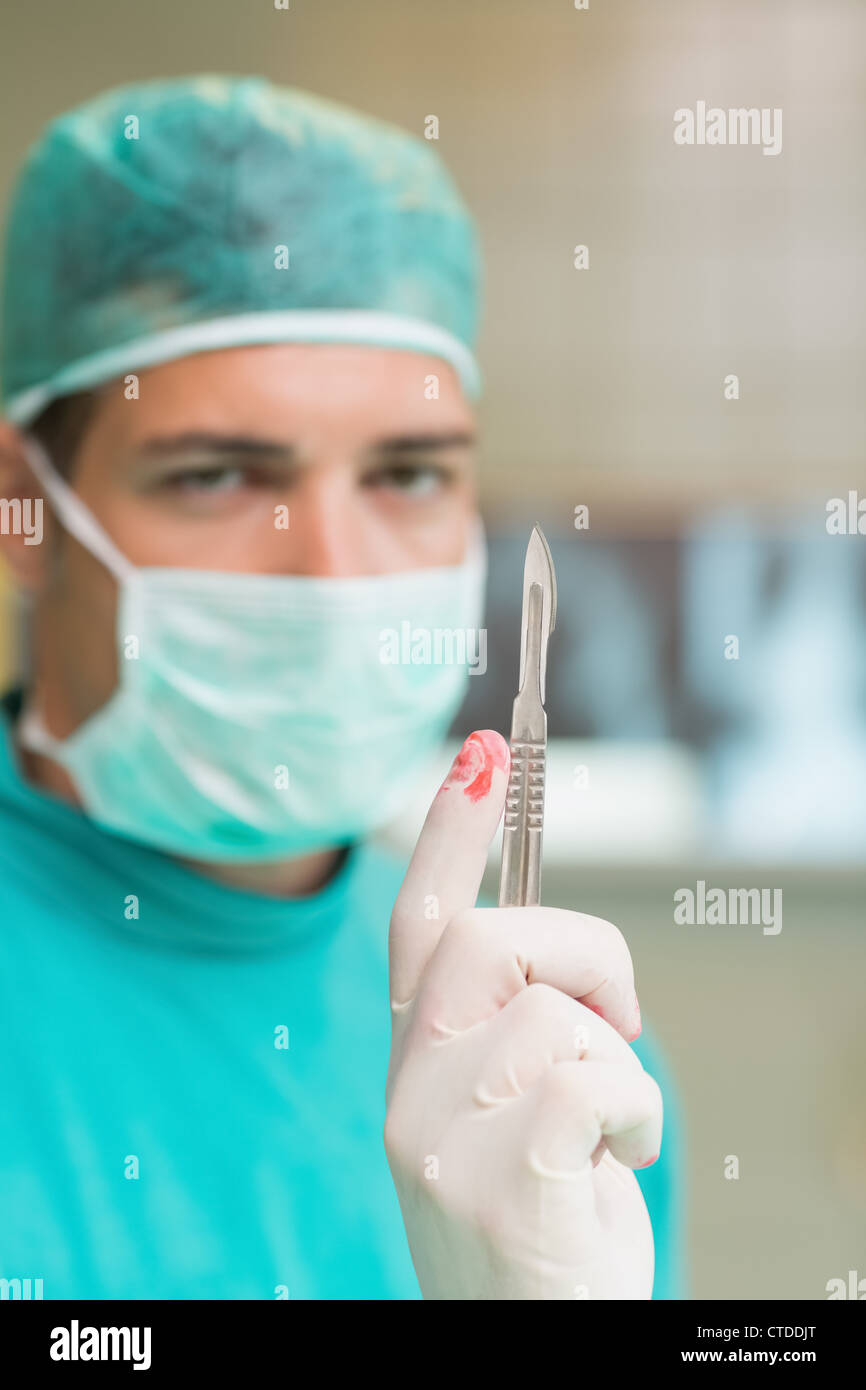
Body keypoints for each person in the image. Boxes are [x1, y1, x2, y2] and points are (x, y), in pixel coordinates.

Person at [0, 75, 687, 1299]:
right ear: (26, 507)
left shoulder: (547, 1059)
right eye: (217, 473)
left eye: (408, 475)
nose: (330, 569)